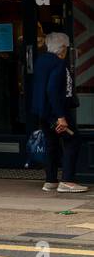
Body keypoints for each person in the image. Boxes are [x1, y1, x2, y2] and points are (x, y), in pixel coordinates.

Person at [32, 31, 87, 193]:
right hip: (57, 112)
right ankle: (68, 181)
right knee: (73, 140)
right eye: (66, 47)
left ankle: (50, 180)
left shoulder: (41, 61)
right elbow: (52, 90)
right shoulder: (58, 63)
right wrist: (61, 117)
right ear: (62, 47)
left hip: (43, 112)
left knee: (52, 144)